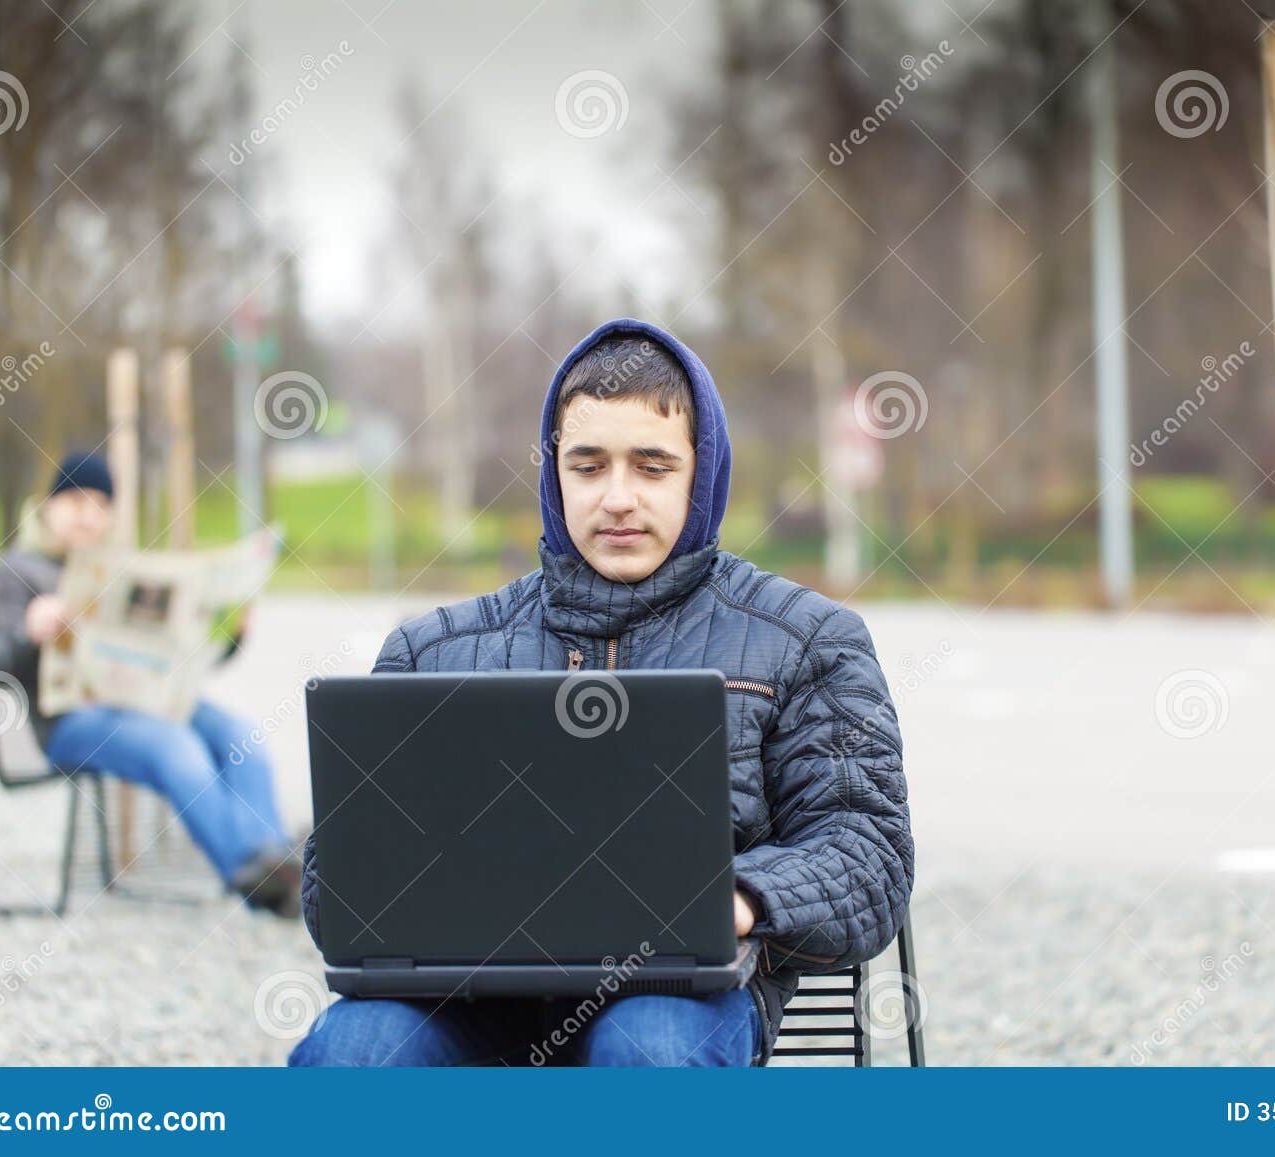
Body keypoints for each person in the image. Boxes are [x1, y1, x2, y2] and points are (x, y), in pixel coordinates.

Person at [291, 319, 914, 1067]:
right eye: (588, 466)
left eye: (652, 466)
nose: (617, 497)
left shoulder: (807, 640)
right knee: (356, 1050)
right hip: (463, 998)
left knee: (648, 1048)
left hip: (678, 999)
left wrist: (736, 897)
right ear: (555, 473)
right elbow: (335, 885)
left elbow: (868, 850)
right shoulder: (431, 652)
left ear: (702, 470)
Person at [0, 451, 299, 916]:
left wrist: (229, 635)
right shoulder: (17, 571)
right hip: (69, 721)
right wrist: (28, 632)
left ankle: (277, 866)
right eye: (76, 501)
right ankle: (256, 872)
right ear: (49, 505)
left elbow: (178, 661)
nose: (90, 515)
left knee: (237, 734)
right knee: (172, 745)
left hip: (147, 701)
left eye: (101, 504)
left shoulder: (117, 572)